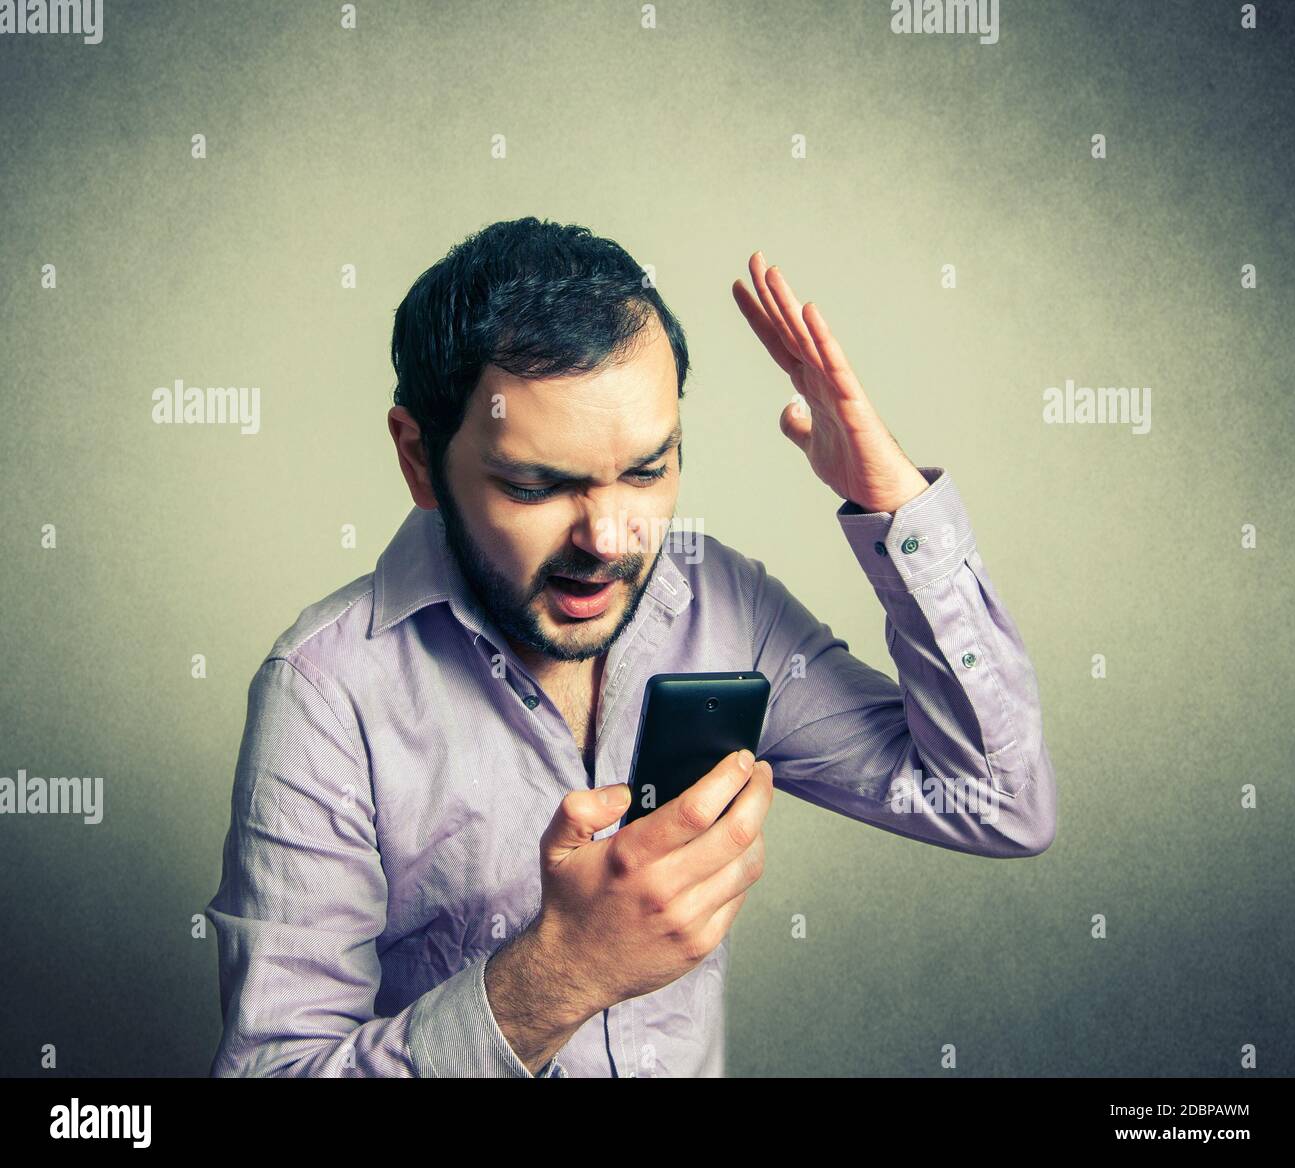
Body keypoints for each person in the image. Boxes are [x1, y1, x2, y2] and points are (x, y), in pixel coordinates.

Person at [205, 216, 1056, 1078]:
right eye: (538, 486)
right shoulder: (325, 692)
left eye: (647, 473)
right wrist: (563, 974)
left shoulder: (721, 603)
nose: (610, 540)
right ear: (420, 459)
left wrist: (894, 506)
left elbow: (995, 801)